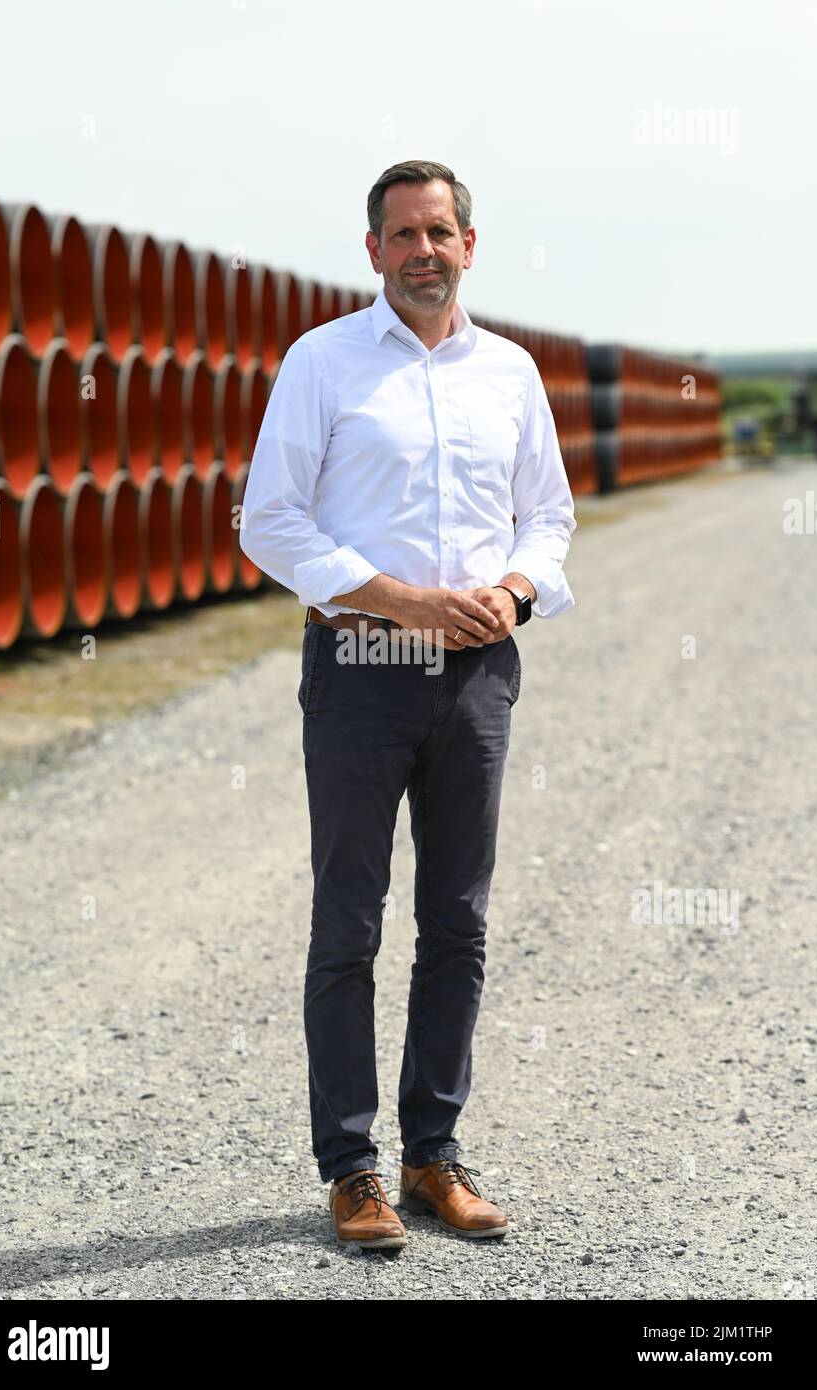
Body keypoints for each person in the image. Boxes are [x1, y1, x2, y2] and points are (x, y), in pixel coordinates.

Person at [239, 159, 576, 1250]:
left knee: (459, 922)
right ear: (374, 250)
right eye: (402, 235)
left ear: (469, 245)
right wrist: (397, 601)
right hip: (359, 672)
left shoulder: (512, 372)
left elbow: (550, 518)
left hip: (477, 678)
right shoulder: (323, 362)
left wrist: (516, 591)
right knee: (348, 922)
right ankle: (352, 1171)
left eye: (440, 232)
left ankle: (434, 1157)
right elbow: (271, 520)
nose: (422, 251)